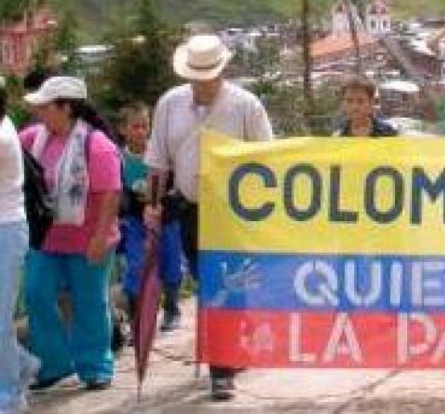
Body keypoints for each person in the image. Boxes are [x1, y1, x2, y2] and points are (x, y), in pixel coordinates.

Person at [144, 34, 273, 401]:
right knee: (210, 283)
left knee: (224, 285)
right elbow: (157, 161)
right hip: (190, 209)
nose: (202, 81)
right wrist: (153, 204)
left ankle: (222, 367)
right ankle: (232, 345)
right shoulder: (170, 104)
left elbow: (266, 158)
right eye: (195, 75)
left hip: (233, 211)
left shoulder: (246, 105)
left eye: (208, 74)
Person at [20, 77, 121, 392]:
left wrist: (101, 237)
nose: (39, 112)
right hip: (47, 239)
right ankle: (54, 363)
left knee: (89, 302)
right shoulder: (35, 138)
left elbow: (110, 193)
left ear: (66, 108)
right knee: (36, 294)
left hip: (88, 238)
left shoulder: (96, 144)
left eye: (46, 106)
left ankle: (95, 366)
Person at [116, 102, 184, 335]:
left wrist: (165, 195)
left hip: (166, 217)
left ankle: (172, 309)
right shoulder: (118, 158)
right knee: (136, 266)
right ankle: (139, 320)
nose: (141, 132)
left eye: (145, 126)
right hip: (136, 221)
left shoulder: (162, 154)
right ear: (123, 129)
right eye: (135, 127)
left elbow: (176, 182)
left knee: (171, 263)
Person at [1, 81, 39, 412]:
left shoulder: (0, 134)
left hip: (6, 231)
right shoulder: (5, 122)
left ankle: (11, 396)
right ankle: (23, 364)